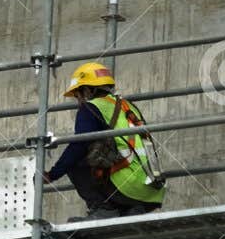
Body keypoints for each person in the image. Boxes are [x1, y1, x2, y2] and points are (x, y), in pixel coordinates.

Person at [46, 61, 167, 221]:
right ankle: (129, 208)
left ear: (89, 90)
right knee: (107, 151)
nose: (78, 100)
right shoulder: (129, 107)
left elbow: (78, 146)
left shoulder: (91, 108)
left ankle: (104, 209)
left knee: (75, 160)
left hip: (127, 187)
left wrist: (52, 174)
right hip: (151, 191)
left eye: (78, 94)